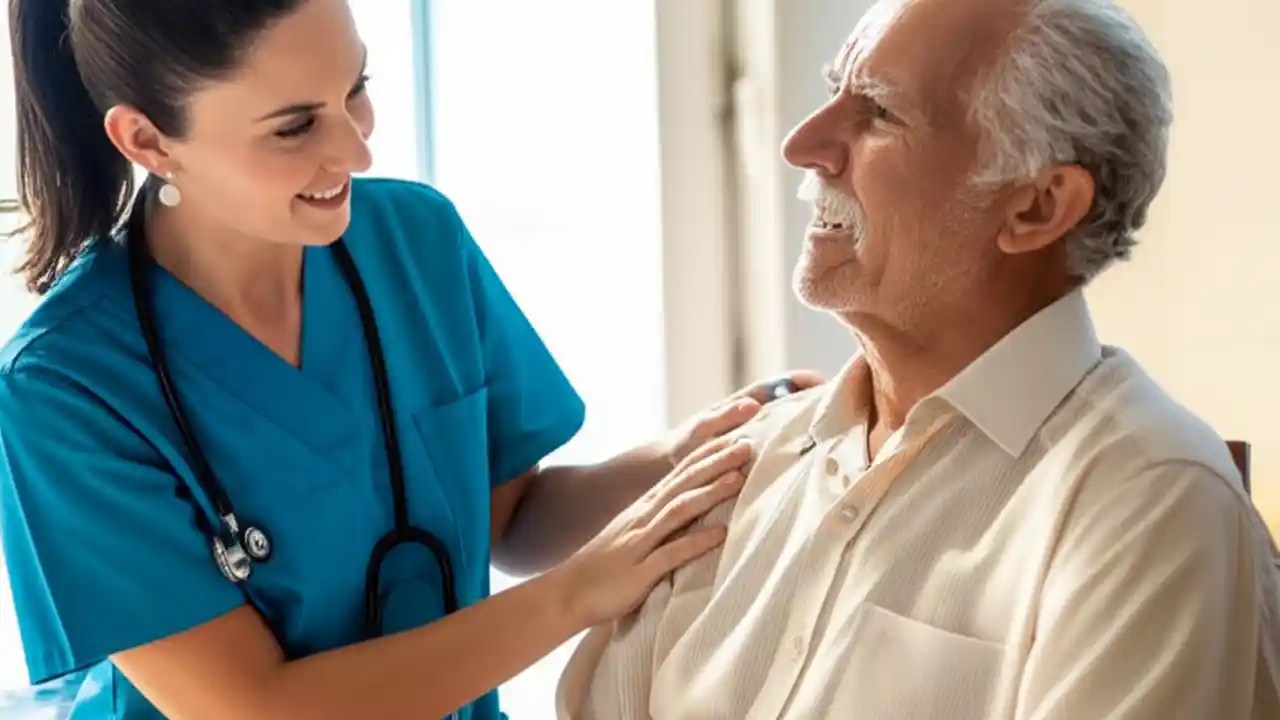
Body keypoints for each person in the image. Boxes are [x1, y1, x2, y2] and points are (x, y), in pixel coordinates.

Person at [0, 1, 821, 717]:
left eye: (355, 90)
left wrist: (689, 458)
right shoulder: (65, 387)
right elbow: (257, 710)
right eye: (294, 126)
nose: (354, 151)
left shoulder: (415, 243)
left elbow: (513, 522)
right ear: (147, 138)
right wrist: (577, 596)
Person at [558, 0, 1280, 718]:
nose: (803, 144)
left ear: (1035, 207)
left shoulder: (1151, 501)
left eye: (878, 113)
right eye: (831, 91)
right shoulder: (744, 466)